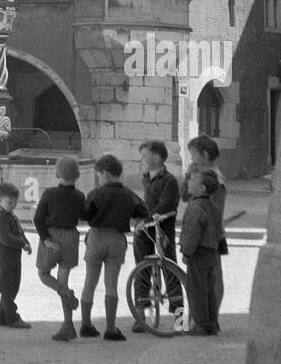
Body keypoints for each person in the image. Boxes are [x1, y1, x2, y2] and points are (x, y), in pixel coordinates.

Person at [79, 155, 149, 341]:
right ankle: (110, 328)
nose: (99, 178)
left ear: (106, 174)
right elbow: (143, 211)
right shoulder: (128, 194)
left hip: (96, 237)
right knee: (111, 284)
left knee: (89, 283)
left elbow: (84, 214)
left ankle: (86, 325)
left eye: (99, 175)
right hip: (117, 239)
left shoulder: (96, 193)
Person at [33, 156, 86, 341]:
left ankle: (64, 293)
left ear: (56, 174)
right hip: (71, 237)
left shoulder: (49, 194)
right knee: (64, 278)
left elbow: (38, 219)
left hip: (52, 236)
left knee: (43, 274)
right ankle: (68, 324)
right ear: (78, 176)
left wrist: (45, 239)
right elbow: (83, 215)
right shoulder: (80, 196)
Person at [131, 139, 182, 333]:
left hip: (162, 230)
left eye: (145, 156)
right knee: (141, 271)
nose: (142, 159)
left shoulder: (169, 180)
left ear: (158, 157)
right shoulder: (146, 177)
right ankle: (140, 315)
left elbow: (166, 205)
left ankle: (179, 320)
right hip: (145, 231)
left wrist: (149, 218)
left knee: (171, 272)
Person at [181, 134, 228, 332]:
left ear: (205, 155)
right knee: (207, 281)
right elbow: (184, 196)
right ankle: (203, 320)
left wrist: (189, 247)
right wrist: (188, 176)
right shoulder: (199, 176)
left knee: (209, 282)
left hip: (207, 240)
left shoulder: (214, 181)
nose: (191, 159)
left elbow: (212, 213)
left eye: (194, 156)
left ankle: (205, 321)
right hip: (207, 239)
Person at [0, 181, 33, 328]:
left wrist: (25, 242)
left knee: (12, 286)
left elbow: (19, 231)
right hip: (5, 257)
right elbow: (6, 238)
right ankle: (12, 317)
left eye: (15, 202)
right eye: (9, 202)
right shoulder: (0, 217)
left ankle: (2, 315)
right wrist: (22, 243)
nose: (13, 205)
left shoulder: (10, 215)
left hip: (13, 257)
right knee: (8, 287)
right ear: (0, 200)